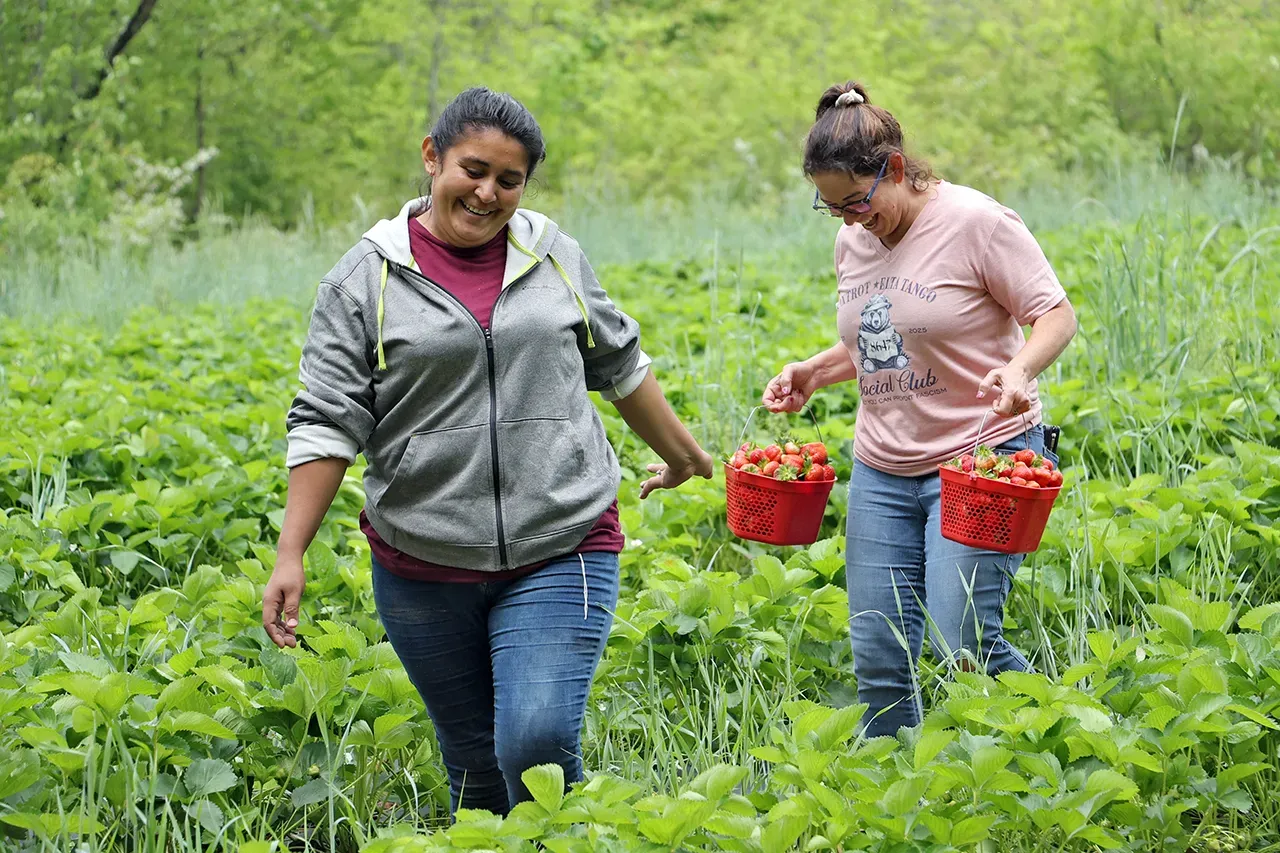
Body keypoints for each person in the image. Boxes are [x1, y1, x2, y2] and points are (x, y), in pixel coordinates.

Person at [261, 86, 715, 816]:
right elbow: (326, 419)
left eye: (509, 180)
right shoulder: (363, 279)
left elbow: (620, 363)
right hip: (422, 560)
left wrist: (687, 455)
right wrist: (291, 552)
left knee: (533, 742)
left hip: (562, 539)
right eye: (473, 169)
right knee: (473, 766)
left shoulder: (553, 254)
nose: (487, 192)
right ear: (432, 156)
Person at [763, 81, 1077, 737]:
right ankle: (890, 802)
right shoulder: (854, 242)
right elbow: (886, 335)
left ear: (896, 169)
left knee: (959, 638)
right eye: (832, 208)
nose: (850, 219)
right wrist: (814, 372)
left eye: (858, 201)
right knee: (880, 656)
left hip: (982, 457)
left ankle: (1060, 743)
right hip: (882, 470)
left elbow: (1054, 314)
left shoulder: (976, 223)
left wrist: (1020, 368)